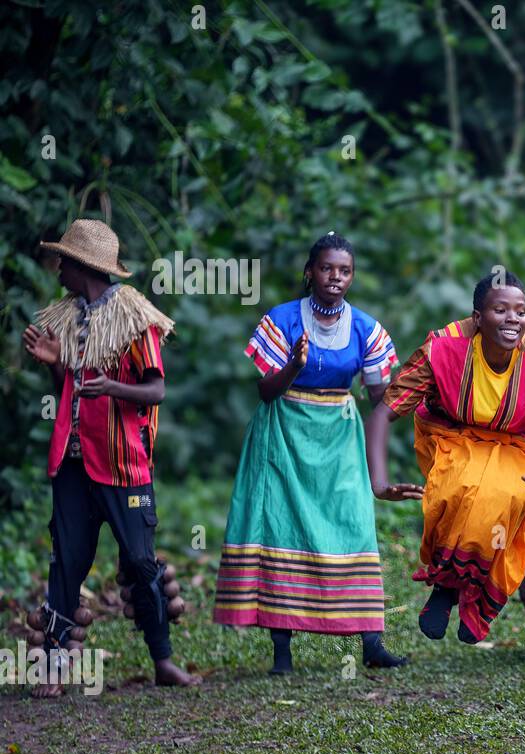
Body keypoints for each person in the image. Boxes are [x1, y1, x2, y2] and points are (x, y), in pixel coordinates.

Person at [213, 232, 409, 674]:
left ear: (352, 276)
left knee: (354, 524)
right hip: (284, 431)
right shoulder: (280, 321)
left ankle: (371, 644)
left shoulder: (366, 329)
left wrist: (409, 388)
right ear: (309, 272)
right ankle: (282, 653)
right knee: (282, 530)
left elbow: (380, 396)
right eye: (326, 268)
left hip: (338, 437)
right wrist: (295, 365)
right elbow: (265, 392)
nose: (335, 277)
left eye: (344, 270)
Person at [365, 270, 525, 644]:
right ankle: (445, 586)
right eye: (500, 310)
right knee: (459, 487)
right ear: (477, 317)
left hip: (518, 445)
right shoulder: (443, 348)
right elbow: (383, 412)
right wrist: (379, 483)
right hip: (450, 435)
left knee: (504, 497)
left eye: (520, 311)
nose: (512, 319)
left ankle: (482, 602)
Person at [22, 218, 199, 696]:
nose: (57, 268)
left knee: (141, 563)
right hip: (73, 462)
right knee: (67, 563)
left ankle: (163, 660)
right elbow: (74, 385)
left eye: (63, 260)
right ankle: (56, 669)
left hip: (123, 465)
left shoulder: (136, 318)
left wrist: (111, 387)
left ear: (81, 265)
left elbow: (156, 389)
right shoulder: (66, 317)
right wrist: (57, 362)